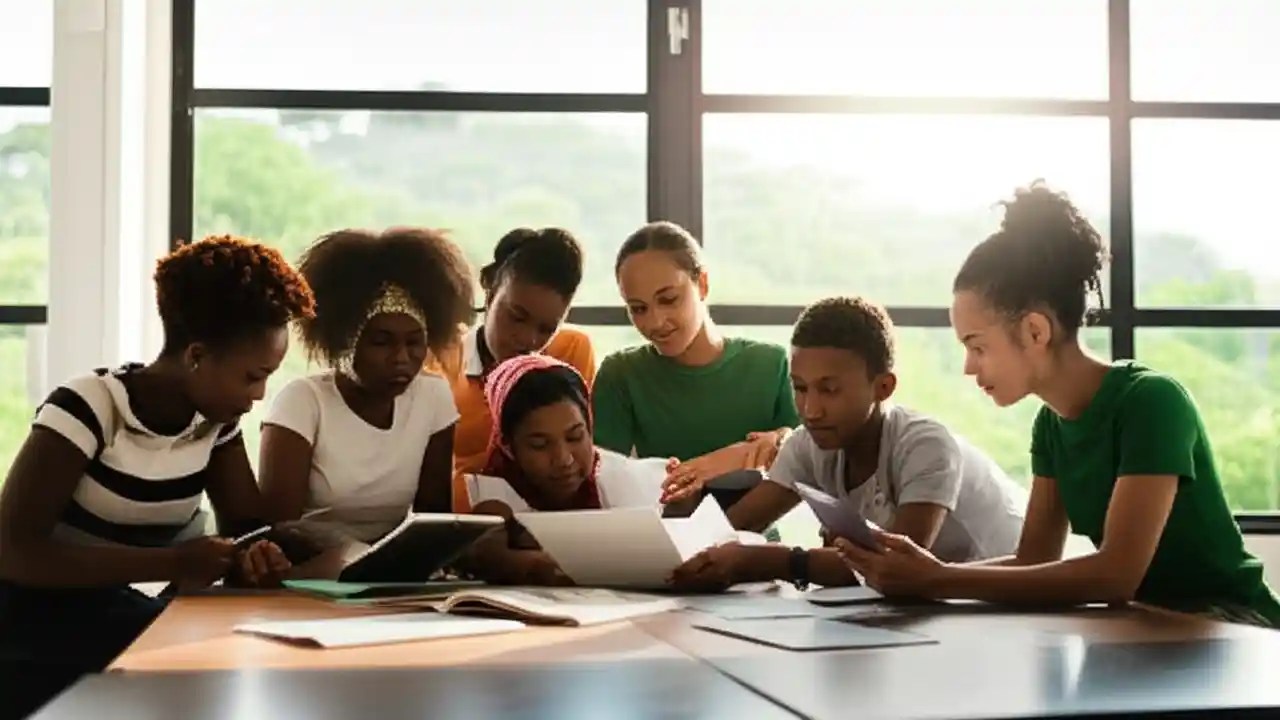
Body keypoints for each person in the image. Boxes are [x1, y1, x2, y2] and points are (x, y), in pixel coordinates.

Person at [835, 181, 1280, 628]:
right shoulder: (1051, 425)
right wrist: (916, 579)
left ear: (1034, 331)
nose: (970, 368)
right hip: (1150, 623)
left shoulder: (1151, 403)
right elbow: (1033, 559)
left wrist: (938, 580)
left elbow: (1114, 575)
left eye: (977, 347)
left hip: (1232, 625)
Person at [0, 235, 316, 717]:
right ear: (195, 356)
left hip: (123, 614)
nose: (260, 395)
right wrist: (172, 563)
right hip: (31, 624)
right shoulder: (89, 407)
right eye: (252, 376)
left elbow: (243, 527)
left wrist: (256, 555)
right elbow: (15, 552)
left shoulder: (215, 422)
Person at [669, 296, 1026, 591]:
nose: (811, 409)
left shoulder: (926, 445)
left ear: (883, 387)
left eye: (830, 389)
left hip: (1002, 598)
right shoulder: (808, 445)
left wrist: (763, 560)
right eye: (800, 387)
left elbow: (893, 569)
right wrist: (681, 518)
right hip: (928, 608)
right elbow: (730, 531)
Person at [258, 228, 475, 542]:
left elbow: (433, 519)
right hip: (307, 571)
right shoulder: (302, 401)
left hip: (391, 573)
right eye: (381, 342)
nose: (401, 358)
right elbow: (276, 531)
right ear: (345, 341)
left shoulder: (433, 396)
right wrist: (348, 555)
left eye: (414, 342)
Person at [593, 221, 800, 512]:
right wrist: (736, 457)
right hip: (663, 539)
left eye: (668, 299)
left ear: (702, 284)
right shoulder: (621, 374)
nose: (654, 322)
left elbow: (809, 464)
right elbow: (603, 486)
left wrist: (781, 442)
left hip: (755, 547)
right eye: (638, 308)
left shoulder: (771, 366)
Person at [463, 354, 667, 585]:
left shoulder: (624, 481)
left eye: (575, 436)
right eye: (539, 445)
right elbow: (490, 557)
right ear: (508, 447)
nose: (563, 459)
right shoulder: (497, 486)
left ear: (589, 428)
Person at [445, 227, 596, 511]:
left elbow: (585, 460)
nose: (528, 340)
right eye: (516, 317)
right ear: (489, 287)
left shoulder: (571, 353)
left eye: (546, 328)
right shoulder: (440, 364)